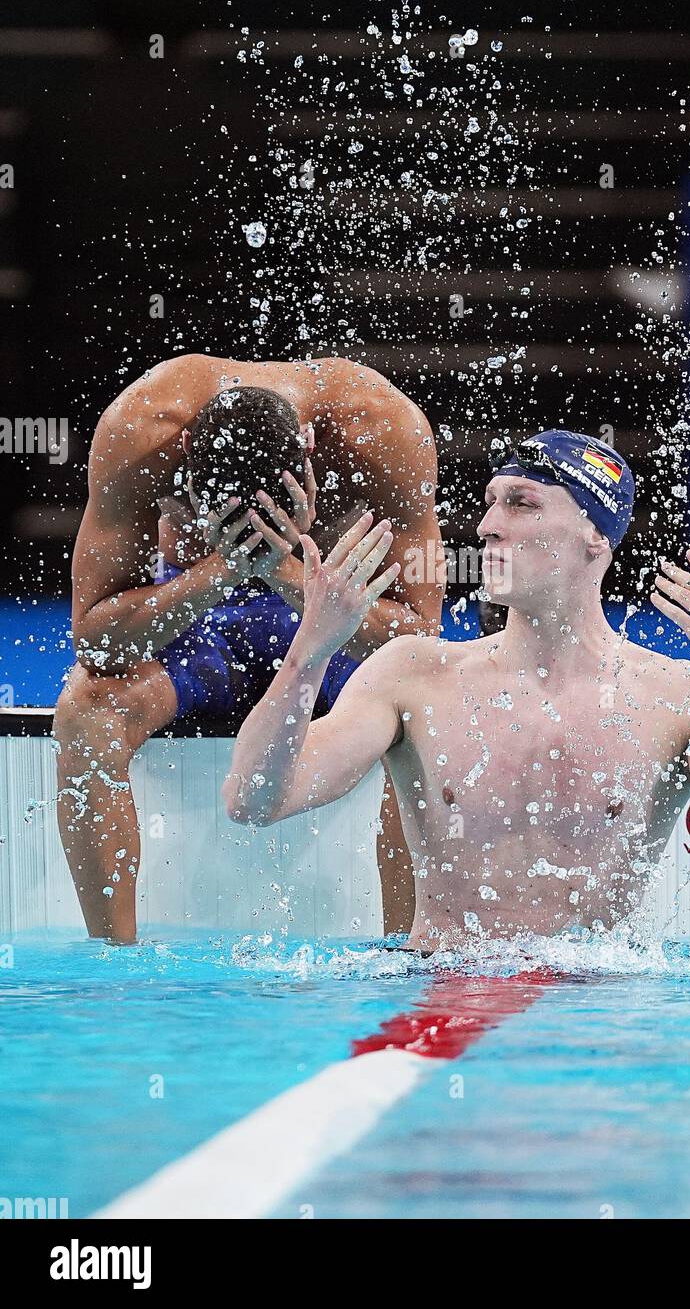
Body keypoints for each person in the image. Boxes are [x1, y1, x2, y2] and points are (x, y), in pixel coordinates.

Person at [224, 430, 690, 952]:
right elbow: (253, 802)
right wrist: (311, 651)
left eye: (521, 504)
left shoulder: (680, 697)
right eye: (488, 505)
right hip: (445, 994)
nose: (486, 526)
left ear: (594, 537)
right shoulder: (413, 673)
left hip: (598, 1004)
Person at [54, 353, 444, 944]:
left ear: (311, 452)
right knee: (86, 709)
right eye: (225, 513)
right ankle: (114, 961)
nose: (253, 523)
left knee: (429, 709)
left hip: (329, 622)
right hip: (192, 623)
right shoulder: (142, 426)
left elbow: (420, 641)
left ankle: (409, 955)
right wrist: (220, 571)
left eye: (273, 511)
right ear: (183, 451)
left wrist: (289, 573)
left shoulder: (382, 428)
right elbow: (98, 641)